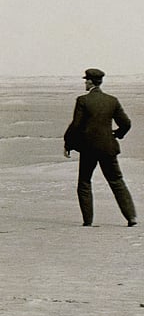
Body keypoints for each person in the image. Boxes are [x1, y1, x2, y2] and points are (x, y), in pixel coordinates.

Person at [63, 68, 138, 227]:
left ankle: (88, 221)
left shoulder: (82, 100)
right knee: (117, 181)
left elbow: (75, 125)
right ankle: (131, 217)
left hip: (88, 148)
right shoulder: (112, 100)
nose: (85, 82)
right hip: (108, 147)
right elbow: (126, 123)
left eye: (86, 80)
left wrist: (68, 144)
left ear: (90, 82)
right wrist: (117, 134)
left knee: (84, 182)